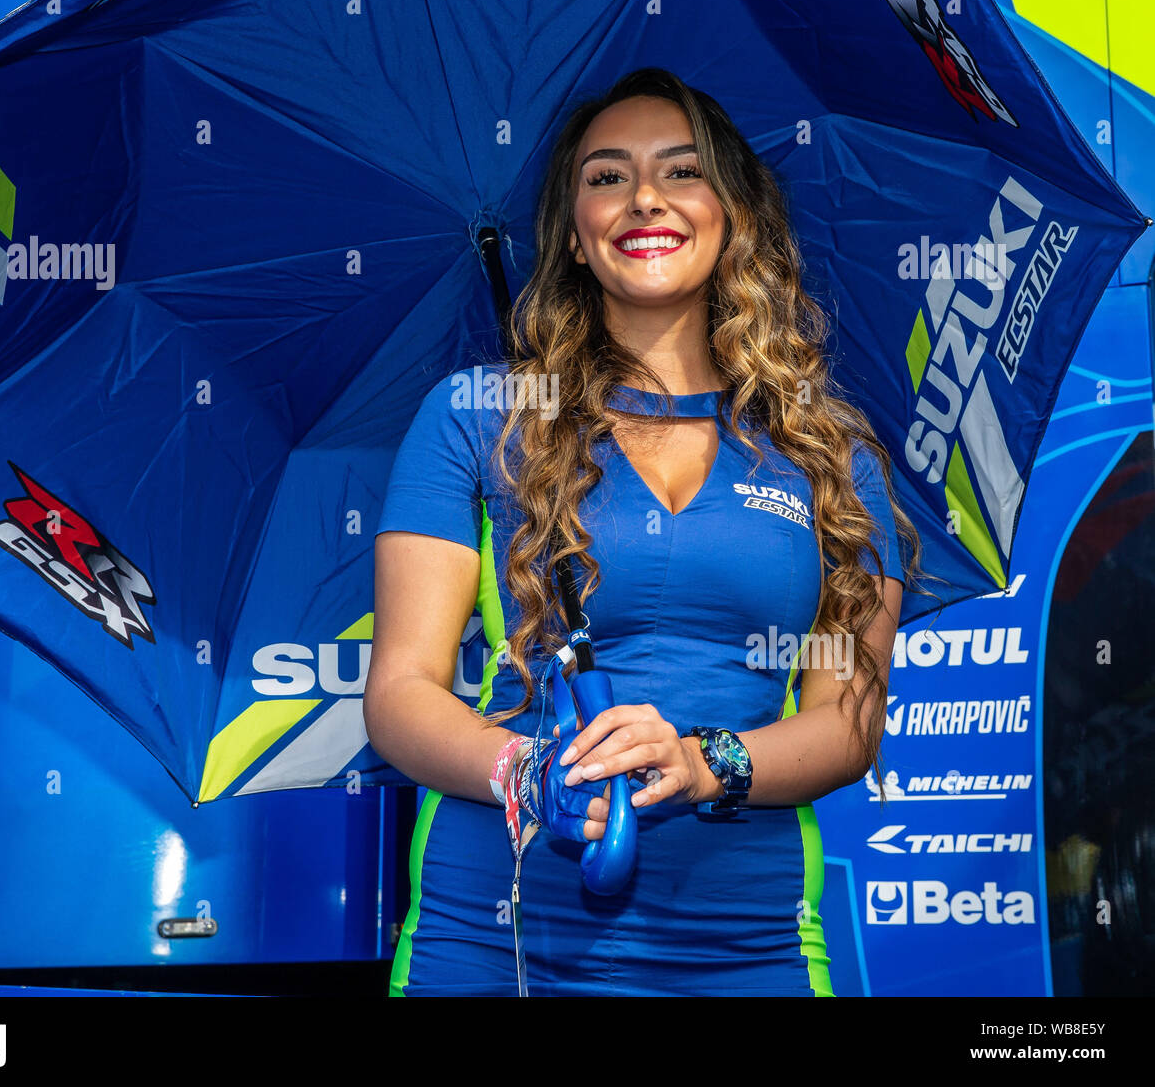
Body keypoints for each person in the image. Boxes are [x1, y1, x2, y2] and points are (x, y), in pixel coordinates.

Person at [364, 66, 925, 997]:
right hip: (494, 946)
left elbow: (848, 725)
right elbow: (399, 694)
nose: (645, 198)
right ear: (575, 238)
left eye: (681, 170)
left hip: (750, 949)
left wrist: (707, 766)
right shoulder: (479, 417)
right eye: (606, 176)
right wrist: (528, 772)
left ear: (733, 213)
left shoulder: (831, 453)